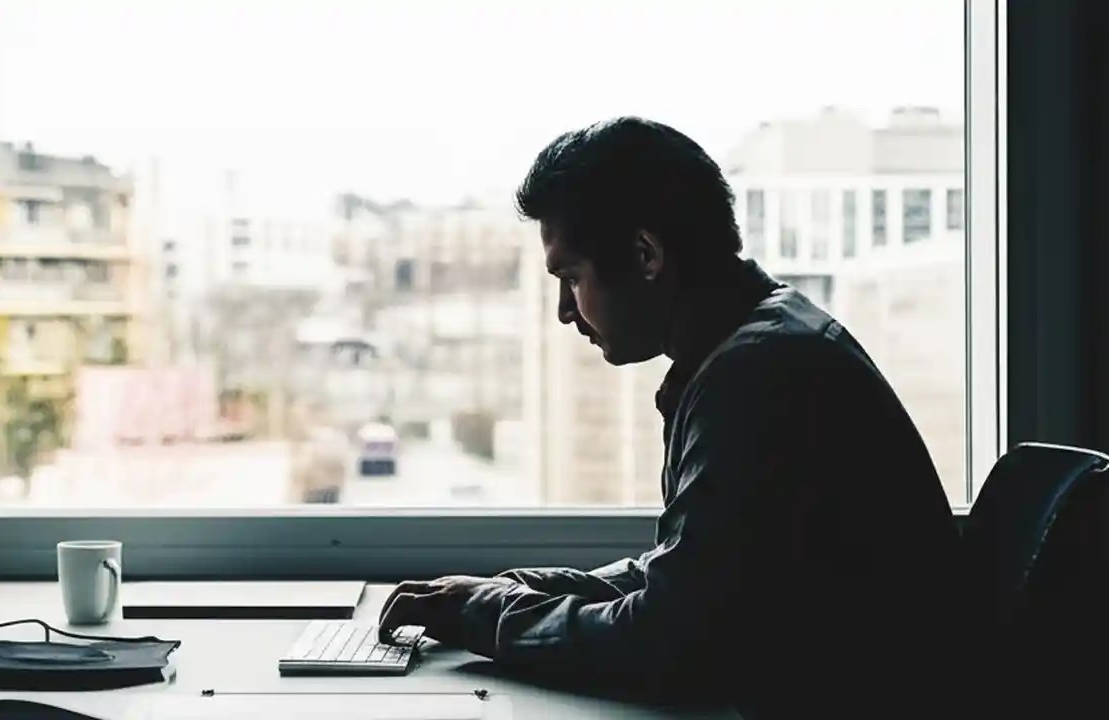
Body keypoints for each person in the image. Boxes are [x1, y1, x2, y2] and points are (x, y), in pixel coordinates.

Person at [378, 117, 962, 712]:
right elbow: (687, 581)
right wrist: (517, 591)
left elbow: (661, 637)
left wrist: (488, 612)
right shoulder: (764, 337)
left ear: (645, 254)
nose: (563, 311)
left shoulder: (754, 378)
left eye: (572, 279)